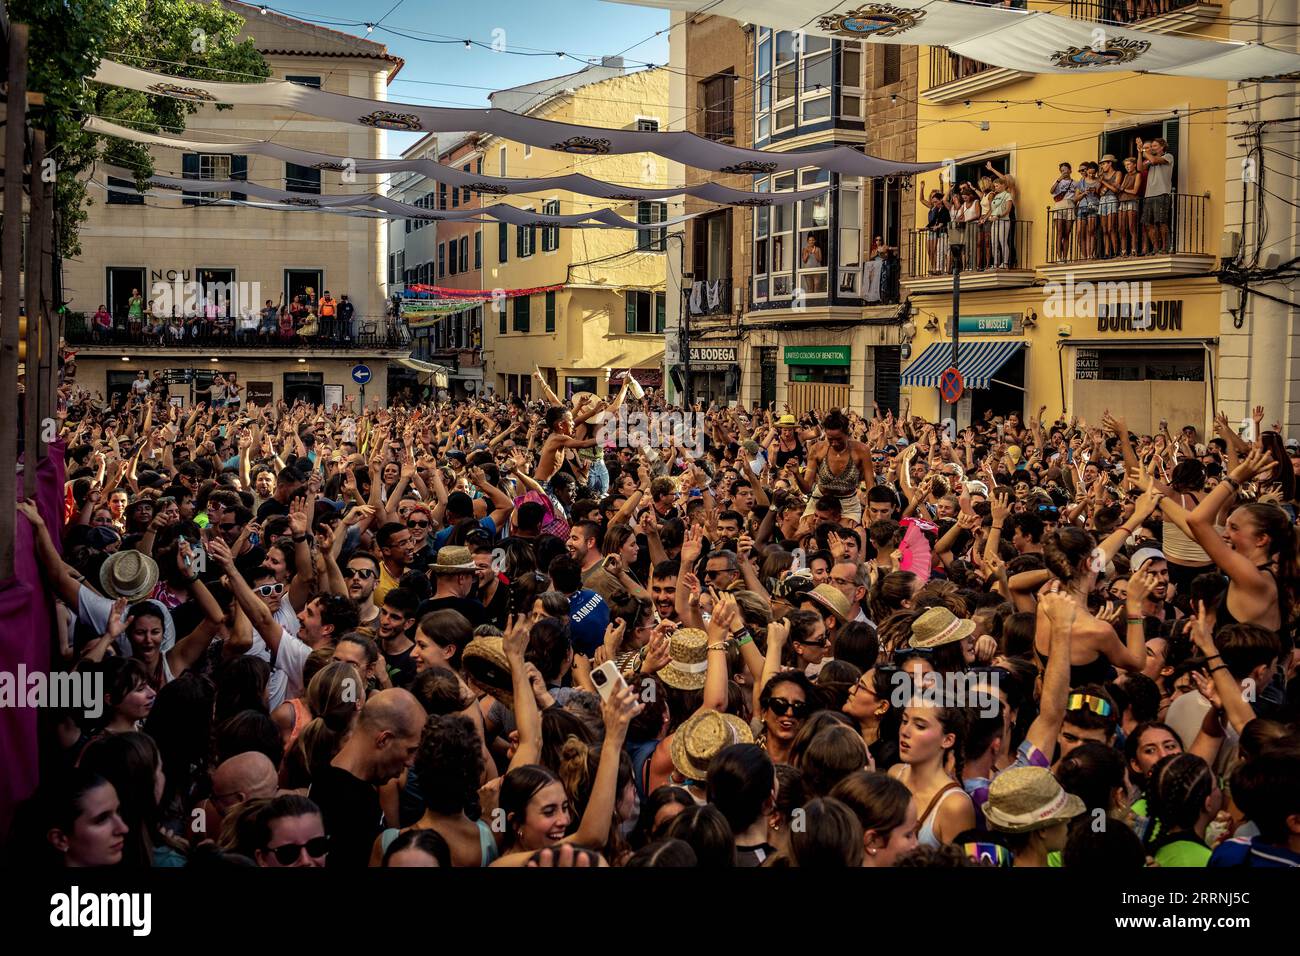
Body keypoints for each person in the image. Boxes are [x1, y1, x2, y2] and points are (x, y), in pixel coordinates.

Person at [308, 688, 425, 868]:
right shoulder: (347, 802)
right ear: (384, 740)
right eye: (410, 750)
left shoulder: (335, 780)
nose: (410, 762)